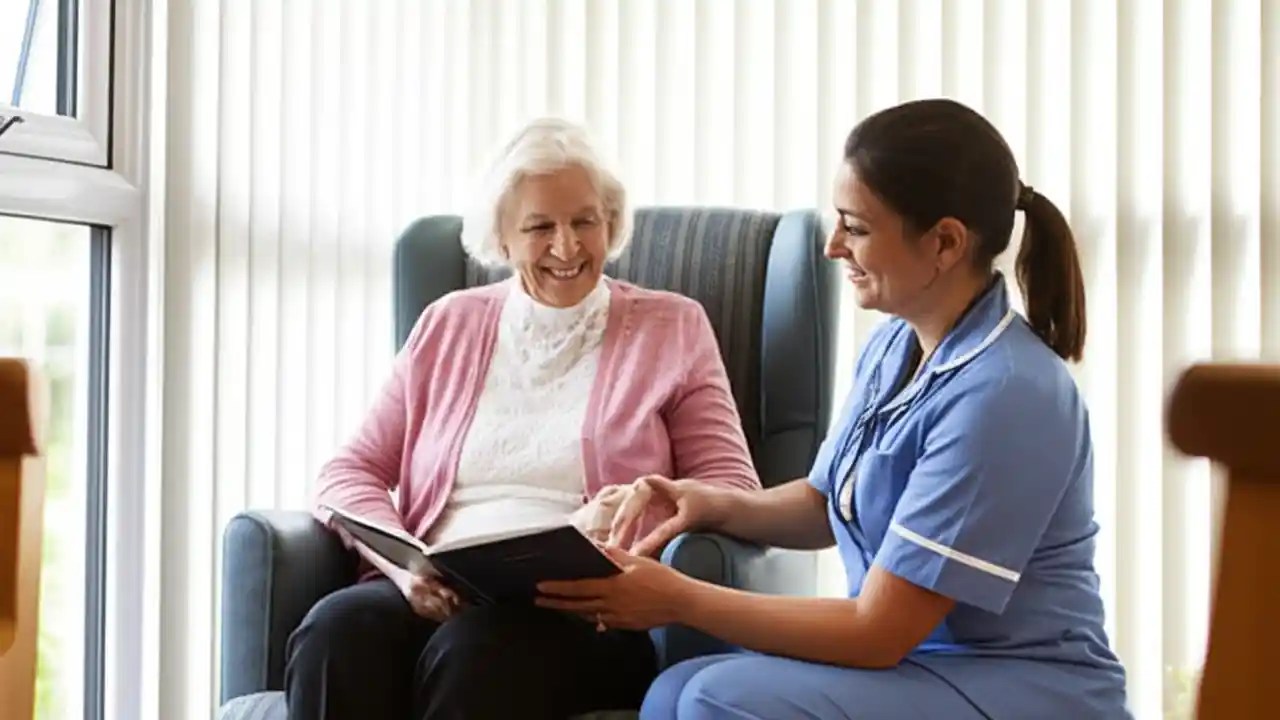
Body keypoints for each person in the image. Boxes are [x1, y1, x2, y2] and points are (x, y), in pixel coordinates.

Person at [536, 99, 1131, 719]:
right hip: (924, 667)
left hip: (1020, 687)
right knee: (675, 690)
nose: (832, 246)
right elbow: (828, 503)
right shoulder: (896, 346)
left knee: (716, 700)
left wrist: (680, 598)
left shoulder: (1005, 394)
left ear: (945, 243)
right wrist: (709, 502)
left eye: (858, 227)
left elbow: (878, 631)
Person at [287, 118, 761, 720]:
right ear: (502, 241)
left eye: (585, 221)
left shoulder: (673, 327)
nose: (568, 247)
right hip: (441, 587)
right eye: (540, 227)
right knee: (337, 631)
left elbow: (731, 491)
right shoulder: (447, 324)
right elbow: (348, 471)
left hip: (584, 610)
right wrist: (405, 566)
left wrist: (632, 511)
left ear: (611, 224)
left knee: (476, 653)